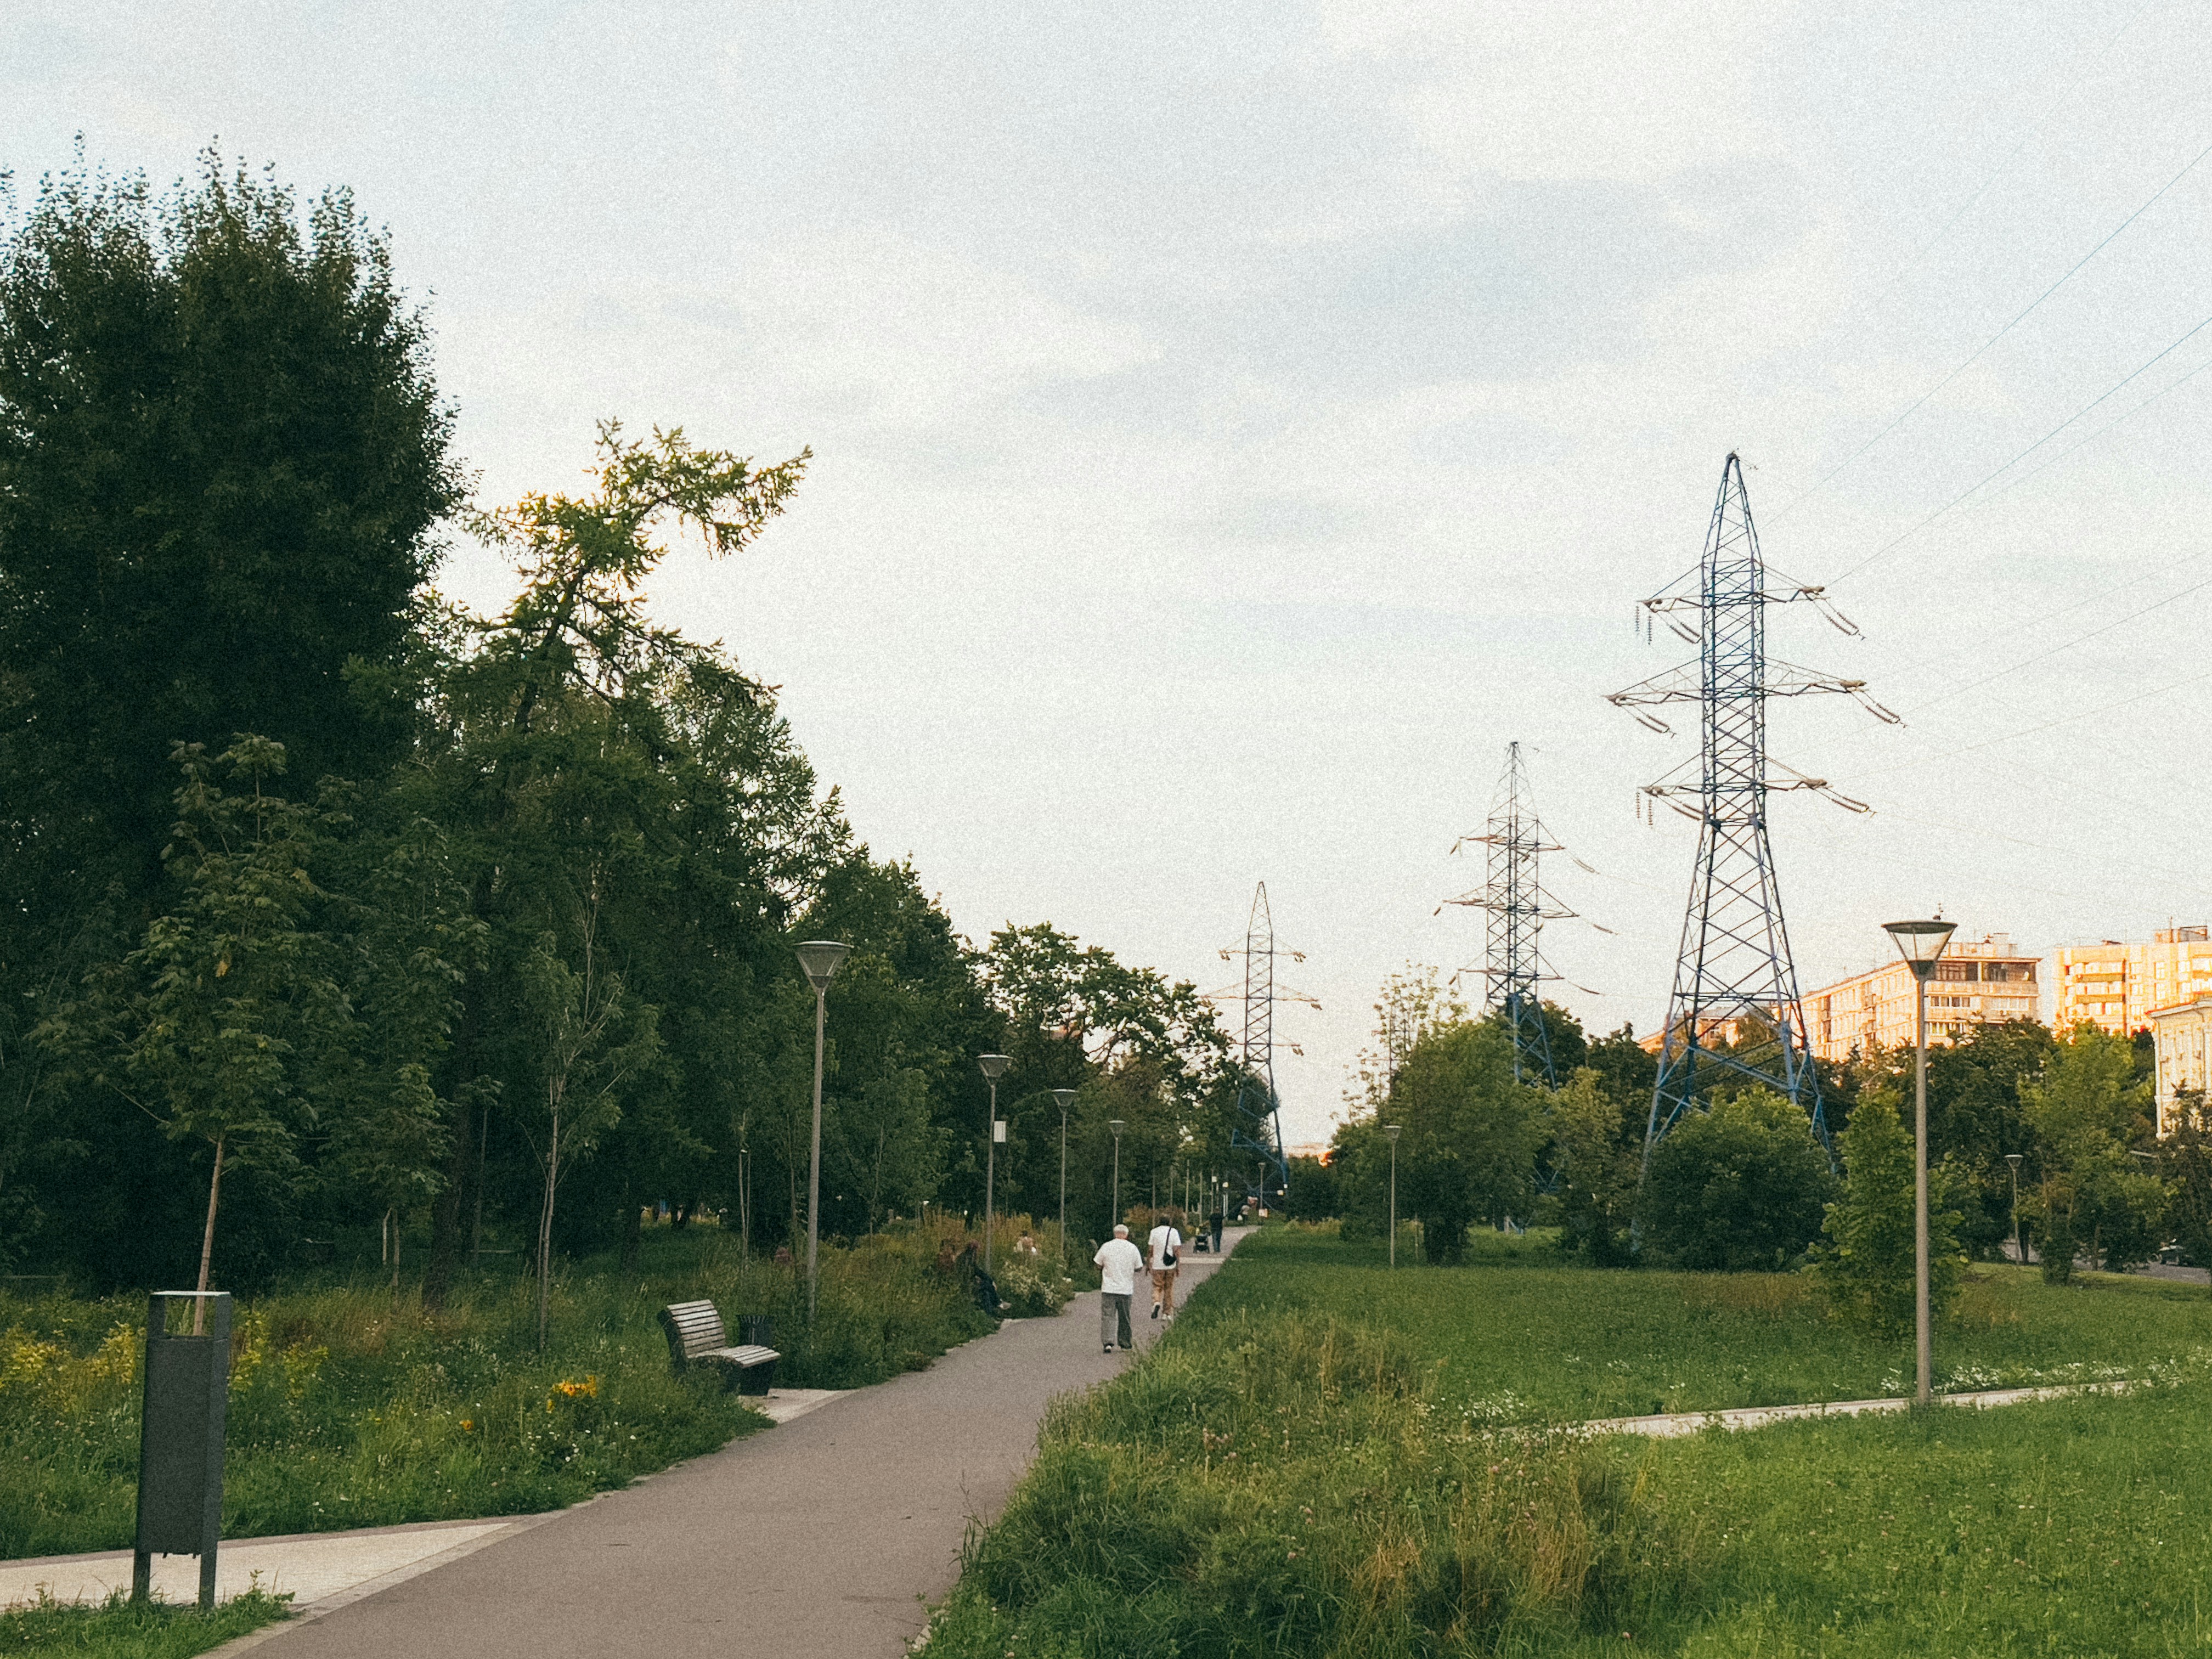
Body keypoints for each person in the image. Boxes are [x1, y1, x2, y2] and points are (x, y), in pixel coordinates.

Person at [1093, 1223, 1143, 1353]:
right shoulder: (1132, 1248)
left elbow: (1098, 1264)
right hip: (1125, 1289)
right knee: (1125, 1317)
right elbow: (1139, 1267)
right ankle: (1125, 1343)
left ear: (1115, 1234)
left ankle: (1108, 1343)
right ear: (1126, 1235)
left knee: (1108, 1316)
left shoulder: (1106, 1246)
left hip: (1109, 1288)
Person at [1146, 1212, 1183, 1319]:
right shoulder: (1174, 1232)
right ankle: (1166, 1313)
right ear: (1169, 1222)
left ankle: (1156, 1302)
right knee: (1169, 1288)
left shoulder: (1154, 1232)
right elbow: (1177, 1250)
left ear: (1159, 1221)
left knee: (1157, 1287)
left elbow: (1150, 1250)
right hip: (1170, 1265)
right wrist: (1178, 1266)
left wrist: (1149, 1264)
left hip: (1158, 1265)